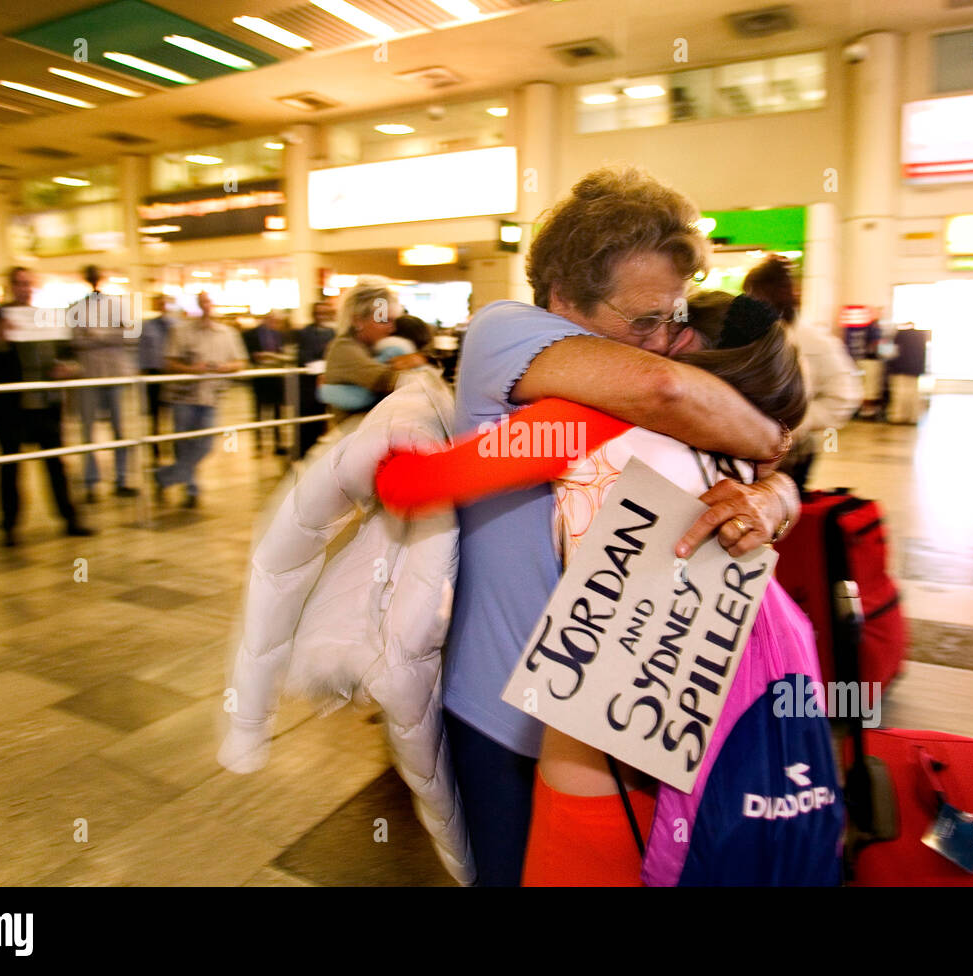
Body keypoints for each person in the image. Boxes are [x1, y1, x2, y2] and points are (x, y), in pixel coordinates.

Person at [440, 165, 792, 885]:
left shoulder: (668, 377)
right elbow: (661, 387)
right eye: (642, 321)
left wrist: (774, 497)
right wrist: (775, 440)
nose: (664, 340)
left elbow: (762, 476)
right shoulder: (502, 333)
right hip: (507, 720)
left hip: (633, 717)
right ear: (563, 299)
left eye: (675, 316)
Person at [523, 323, 812, 885]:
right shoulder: (743, 461)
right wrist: (776, 473)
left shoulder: (597, 428)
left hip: (603, 758)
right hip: (715, 758)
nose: (647, 342)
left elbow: (423, 478)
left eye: (666, 329)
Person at [0, 266, 93, 546]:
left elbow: (68, 355)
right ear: (8, 286)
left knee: (56, 464)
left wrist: (67, 368)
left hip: (45, 405)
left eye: (28, 283)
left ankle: (69, 518)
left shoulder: (45, 318)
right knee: (10, 465)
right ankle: (9, 526)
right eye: (18, 283)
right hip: (8, 408)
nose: (23, 288)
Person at [738, 256, 860, 490]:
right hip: (753, 448)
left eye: (752, 294)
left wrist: (794, 425)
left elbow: (844, 395)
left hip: (792, 455)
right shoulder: (753, 338)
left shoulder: (815, 342)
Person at [154, 292, 246, 508]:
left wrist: (224, 368)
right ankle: (192, 488)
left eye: (209, 302)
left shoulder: (226, 333)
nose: (206, 306)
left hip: (210, 396)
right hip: (184, 397)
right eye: (202, 302)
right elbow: (170, 363)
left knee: (205, 444)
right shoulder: (180, 331)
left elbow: (240, 361)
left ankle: (164, 476)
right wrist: (192, 369)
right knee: (184, 444)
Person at [67, 265, 137, 502]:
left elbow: (127, 335)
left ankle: (121, 478)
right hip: (88, 376)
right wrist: (106, 335)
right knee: (88, 430)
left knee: (119, 429)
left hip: (114, 375)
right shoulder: (76, 308)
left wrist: (97, 335)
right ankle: (90, 481)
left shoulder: (116, 305)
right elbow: (76, 340)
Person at [321, 279, 427, 422]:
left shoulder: (374, 348)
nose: (392, 328)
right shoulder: (343, 348)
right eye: (384, 321)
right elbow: (383, 380)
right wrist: (420, 364)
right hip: (354, 437)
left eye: (393, 321)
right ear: (357, 320)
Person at [243, 310, 289, 456]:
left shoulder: (278, 334)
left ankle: (278, 443)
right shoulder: (250, 334)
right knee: (259, 411)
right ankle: (259, 444)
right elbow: (246, 354)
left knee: (277, 412)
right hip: (260, 378)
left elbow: (282, 353)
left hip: (275, 377)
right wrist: (256, 357)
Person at [295, 301, 336, 458]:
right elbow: (303, 357)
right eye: (319, 313)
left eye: (325, 313)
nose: (322, 316)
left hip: (326, 385)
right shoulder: (304, 333)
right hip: (308, 387)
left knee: (322, 422)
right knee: (307, 423)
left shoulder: (332, 332)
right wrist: (323, 368)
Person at [138, 294, 175, 462]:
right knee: (155, 413)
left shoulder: (176, 325)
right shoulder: (146, 326)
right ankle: (155, 446)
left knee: (174, 411)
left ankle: (175, 443)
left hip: (172, 373)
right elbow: (142, 351)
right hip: (154, 372)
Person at [886, 321, 930, 424]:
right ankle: (912, 417)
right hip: (915, 370)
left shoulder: (899, 335)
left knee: (900, 393)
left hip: (900, 368)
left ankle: (899, 417)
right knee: (913, 394)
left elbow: (892, 351)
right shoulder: (921, 336)